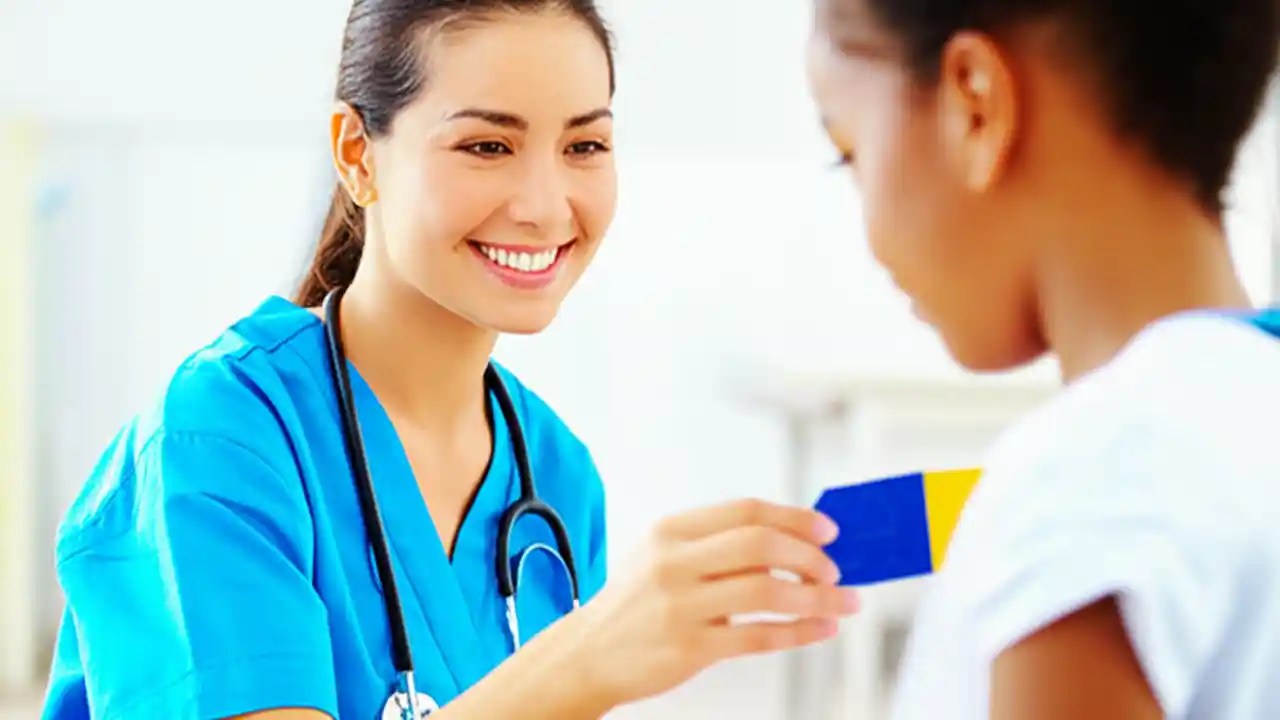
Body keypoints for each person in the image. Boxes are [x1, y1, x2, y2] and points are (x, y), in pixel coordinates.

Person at [40, 2, 861, 718]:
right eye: (487, 146)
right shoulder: (218, 441)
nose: (544, 207)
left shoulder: (557, 479)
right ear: (357, 153)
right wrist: (584, 662)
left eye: (584, 146)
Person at [806, 0, 1279, 718]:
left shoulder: (1089, 482)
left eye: (850, 153)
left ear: (975, 103)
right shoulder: (1218, 426)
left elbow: (1099, 496)